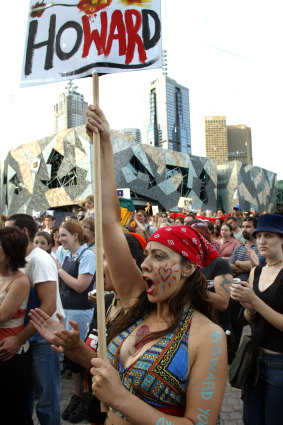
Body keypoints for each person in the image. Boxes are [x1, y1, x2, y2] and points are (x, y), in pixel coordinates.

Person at [1, 213, 63, 425]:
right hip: (30, 339)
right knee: (24, 399)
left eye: (10, 230)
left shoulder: (40, 259)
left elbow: (49, 305)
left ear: (23, 232)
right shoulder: (24, 261)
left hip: (42, 341)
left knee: (46, 401)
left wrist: (18, 339)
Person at [230, 213, 283, 425]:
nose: (261, 241)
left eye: (269, 236)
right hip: (254, 360)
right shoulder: (258, 271)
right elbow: (250, 318)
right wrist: (248, 307)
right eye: (259, 235)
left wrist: (255, 301)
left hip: (279, 363)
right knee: (251, 419)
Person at [57, 220, 96, 422]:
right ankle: (77, 395)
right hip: (68, 311)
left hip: (81, 313)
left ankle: (87, 398)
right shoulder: (67, 255)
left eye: (63, 235)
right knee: (71, 356)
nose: (59, 238)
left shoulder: (87, 255)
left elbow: (81, 286)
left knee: (81, 355)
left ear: (75, 236)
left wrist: (59, 270)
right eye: (59, 235)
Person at [0, 226, 33, 425]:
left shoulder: (19, 281)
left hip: (9, 356)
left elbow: (2, 315)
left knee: (13, 412)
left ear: (11, 253)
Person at [229, 216, 263, 356]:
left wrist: (239, 263)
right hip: (236, 287)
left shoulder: (260, 246)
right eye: (243, 226)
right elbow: (230, 266)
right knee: (234, 322)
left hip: (253, 288)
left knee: (253, 323)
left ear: (255, 228)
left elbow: (257, 265)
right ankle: (233, 353)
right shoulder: (239, 246)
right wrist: (247, 266)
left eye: (248, 226)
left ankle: (254, 353)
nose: (244, 229)